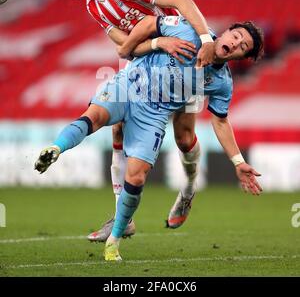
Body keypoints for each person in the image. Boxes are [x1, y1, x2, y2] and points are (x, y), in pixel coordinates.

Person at [34, 14, 264, 261]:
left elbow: (220, 120)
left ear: (241, 57)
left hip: (154, 114)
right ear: (227, 31)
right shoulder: (190, 30)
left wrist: (238, 162)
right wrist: (158, 43)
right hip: (129, 85)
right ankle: (56, 149)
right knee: (95, 116)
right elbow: (149, 24)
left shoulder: (221, 82)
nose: (236, 44)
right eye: (237, 36)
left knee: (138, 175)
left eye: (243, 48)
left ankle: (114, 241)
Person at [54, 0, 216, 242]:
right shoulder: (92, 5)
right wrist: (157, 44)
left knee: (183, 139)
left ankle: (189, 187)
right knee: (117, 128)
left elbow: (181, 0)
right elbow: (125, 47)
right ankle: (122, 217)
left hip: (182, 56)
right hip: (145, 60)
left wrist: (205, 39)